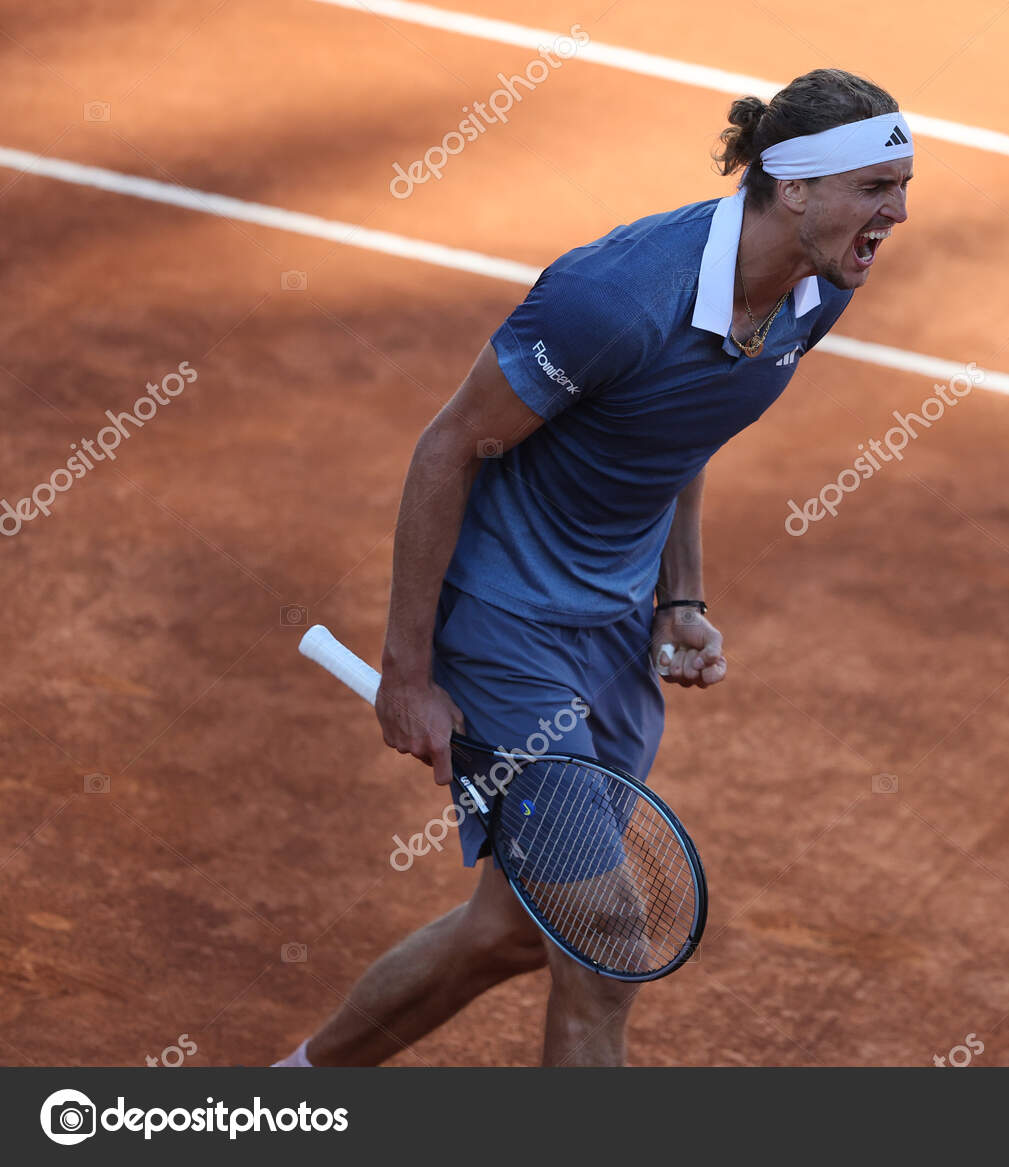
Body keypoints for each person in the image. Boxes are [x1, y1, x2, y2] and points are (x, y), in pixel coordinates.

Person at [275, 67, 913, 1068]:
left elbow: (681, 434)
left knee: (515, 930)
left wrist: (680, 600)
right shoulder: (613, 300)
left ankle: (290, 1091)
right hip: (504, 626)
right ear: (794, 187)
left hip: (613, 633)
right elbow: (447, 449)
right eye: (876, 185)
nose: (900, 211)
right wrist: (407, 675)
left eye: (903, 183)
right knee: (607, 947)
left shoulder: (814, 291)